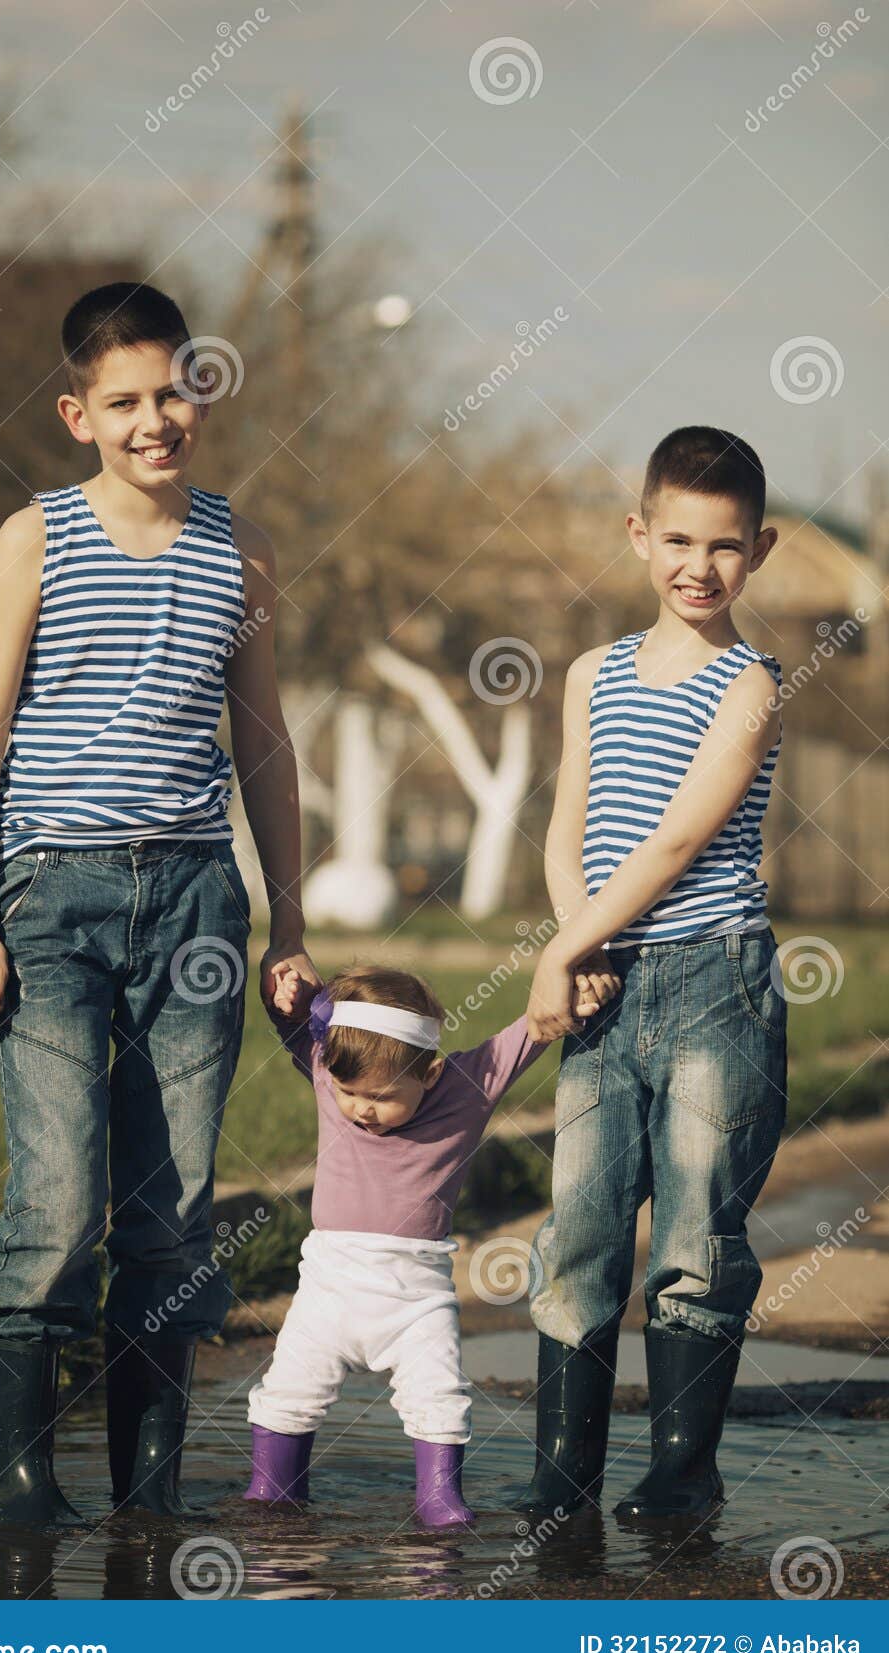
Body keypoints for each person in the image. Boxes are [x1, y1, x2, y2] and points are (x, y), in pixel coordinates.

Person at [0, 281, 318, 1526]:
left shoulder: (244, 545)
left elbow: (263, 743)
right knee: (56, 1205)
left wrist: (291, 923)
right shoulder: (35, 536)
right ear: (78, 414)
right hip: (51, 896)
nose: (154, 418)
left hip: (197, 908)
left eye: (173, 390)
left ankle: (149, 1497)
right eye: (124, 401)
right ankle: (14, 1487)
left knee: (170, 1215)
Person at [522, 425, 786, 1523]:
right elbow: (569, 819)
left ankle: (679, 1483)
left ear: (758, 551)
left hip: (714, 987)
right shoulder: (593, 672)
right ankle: (561, 1482)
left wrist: (560, 949)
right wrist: (573, 940)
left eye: (724, 546)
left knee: (694, 1239)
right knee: (578, 1230)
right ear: (639, 535)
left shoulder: (752, 685)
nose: (698, 565)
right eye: (676, 537)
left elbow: (679, 843)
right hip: (604, 984)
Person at [244, 960, 616, 1528]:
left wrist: (578, 989)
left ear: (431, 1072)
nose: (362, 1108)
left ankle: (439, 1504)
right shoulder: (329, 1070)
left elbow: (536, 1029)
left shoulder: (467, 1087)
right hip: (327, 1286)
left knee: (438, 1399)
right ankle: (273, 1493)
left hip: (416, 1297)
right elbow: (291, 1021)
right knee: (288, 1394)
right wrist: (290, 993)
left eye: (383, 1096)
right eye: (349, 1092)